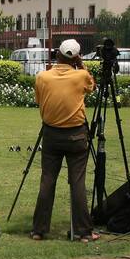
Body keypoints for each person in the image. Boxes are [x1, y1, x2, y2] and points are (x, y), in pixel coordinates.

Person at [31, 39, 98, 241]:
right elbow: (91, 86)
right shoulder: (81, 75)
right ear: (76, 57)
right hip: (76, 135)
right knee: (77, 182)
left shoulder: (43, 77)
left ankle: (39, 230)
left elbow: (39, 100)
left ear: (57, 54)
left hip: (51, 134)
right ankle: (82, 231)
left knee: (47, 181)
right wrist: (81, 65)